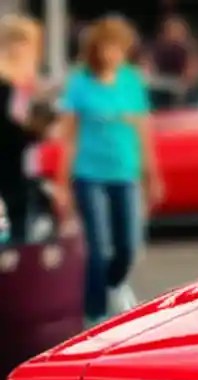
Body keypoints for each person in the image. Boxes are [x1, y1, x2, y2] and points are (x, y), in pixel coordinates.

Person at [58, 16, 161, 324]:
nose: (114, 54)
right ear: (96, 49)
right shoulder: (80, 83)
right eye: (108, 47)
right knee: (99, 248)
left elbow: (143, 131)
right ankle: (94, 313)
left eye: (120, 48)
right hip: (90, 175)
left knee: (128, 245)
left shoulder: (131, 81)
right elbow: (68, 138)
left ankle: (115, 284)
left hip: (125, 173)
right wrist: (62, 185)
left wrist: (152, 175)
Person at [0, 15, 49, 246]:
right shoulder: (6, 84)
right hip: (9, 172)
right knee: (15, 237)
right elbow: (9, 130)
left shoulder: (23, 84)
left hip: (23, 170)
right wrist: (37, 130)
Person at [145, 15, 198, 109]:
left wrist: (186, 80)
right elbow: (148, 66)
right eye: (170, 31)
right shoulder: (157, 48)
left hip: (185, 94)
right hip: (161, 90)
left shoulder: (190, 48)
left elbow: (192, 73)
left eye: (177, 32)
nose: (173, 35)